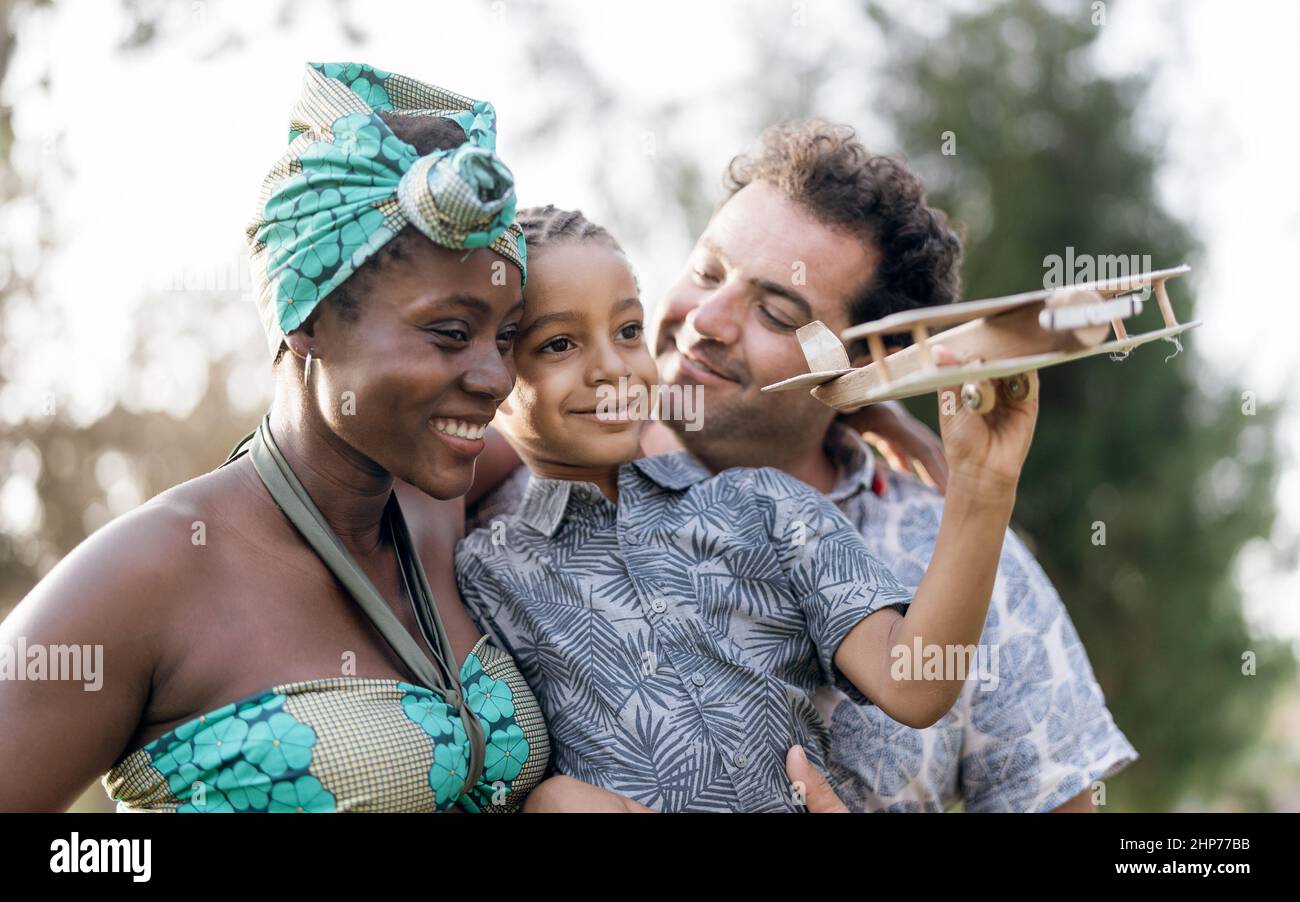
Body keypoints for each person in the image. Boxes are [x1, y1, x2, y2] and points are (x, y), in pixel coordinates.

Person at [0, 62, 636, 813]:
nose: (495, 379)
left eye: (505, 339)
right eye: (450, 333)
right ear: (307, 319)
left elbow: (619, 427)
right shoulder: (143, 578)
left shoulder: (442, 507)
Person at [473, 122, 1136, 812]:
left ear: (866, 364)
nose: (708, 321)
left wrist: (981, 484)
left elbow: (918, 684)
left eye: (777, 313)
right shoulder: (483, 511)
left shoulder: (959, 560)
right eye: (706, 272)